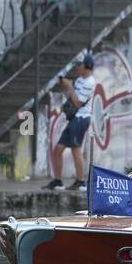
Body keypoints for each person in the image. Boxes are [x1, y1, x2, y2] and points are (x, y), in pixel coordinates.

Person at [45, 54, 96, 191]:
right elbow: (71, 89)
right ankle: (58, 181)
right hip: (74, 119)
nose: (78, 68)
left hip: (81, 118)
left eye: (80, 65)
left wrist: (70, 87)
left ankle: (80, 182)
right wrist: (63, 81)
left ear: (86, 67)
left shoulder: (90, 82)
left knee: (76, 149)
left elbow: (79, 103)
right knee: (58, 149)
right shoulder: (80, 80)